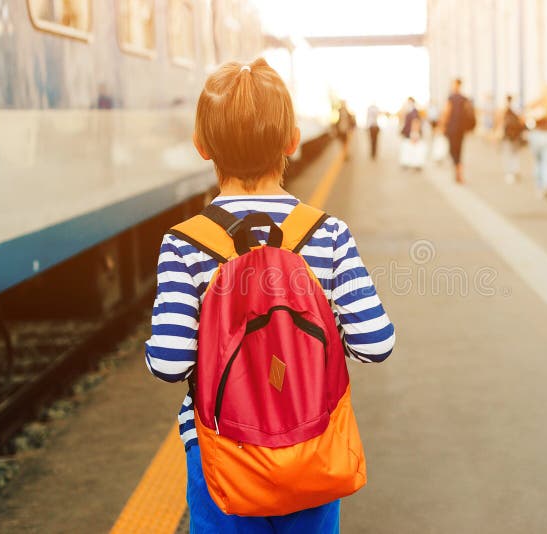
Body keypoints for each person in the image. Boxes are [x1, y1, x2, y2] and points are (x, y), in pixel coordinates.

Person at [145, 58, 395, 533]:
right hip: (313, 447)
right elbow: (375, 344)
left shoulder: (184, 243)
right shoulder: (329, 234)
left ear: (201, 147)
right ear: (293, 142)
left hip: (221, 455)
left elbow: (170, 363)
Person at [440, 78, 475, 184]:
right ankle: (459, 173)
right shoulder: (465, 98)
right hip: (461, 130)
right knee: (459, 151)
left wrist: (442, 126)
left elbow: (446, 112)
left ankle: (458, 172)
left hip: (452, 129)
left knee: (453, 151)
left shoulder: (451, 98)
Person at [496, 95, 525, 184]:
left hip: (507, 136)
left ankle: (509, 173)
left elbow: (499, 121)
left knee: (507, 154)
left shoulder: (503, 109)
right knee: (515, 154)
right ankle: (515, 170)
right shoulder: (517, 109)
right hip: (515, 135)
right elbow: (522, 121)